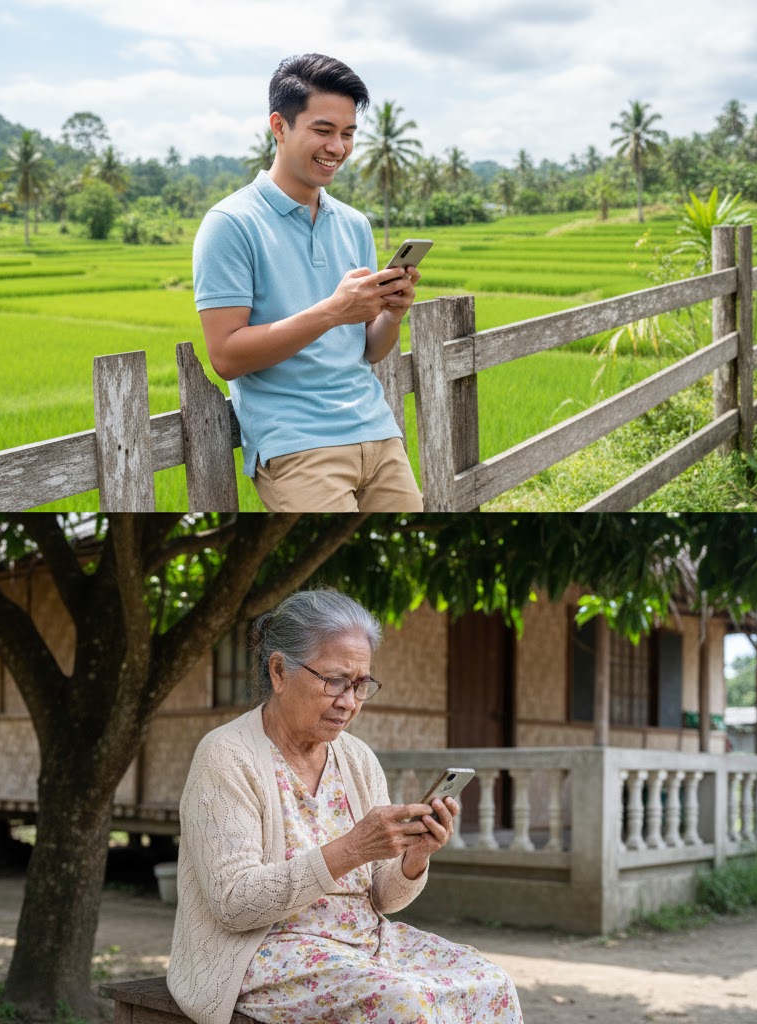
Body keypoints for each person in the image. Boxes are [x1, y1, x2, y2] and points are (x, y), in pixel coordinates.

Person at [168, 589, 524, 1024]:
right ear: (279, 671)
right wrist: (352, 849)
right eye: (335, 681)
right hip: (262, 951)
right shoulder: (225, 755)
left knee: (491, 983)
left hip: (363, 942)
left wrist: (415, 856)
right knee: (401, 1001)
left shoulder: (357, 758)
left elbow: (382, 898)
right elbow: (235, 904)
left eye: (360, 685)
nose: (349, 701)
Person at [192, 54, 425, 513]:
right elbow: (225, 356)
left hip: (378, 433)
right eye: (323, 131)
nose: (337, 147)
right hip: (297, 445)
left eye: (348, 134)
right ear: (279, 126)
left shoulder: (354, 224)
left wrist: (392, 313)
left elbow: (369, 350)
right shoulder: (230, 224)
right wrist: (334, 310)